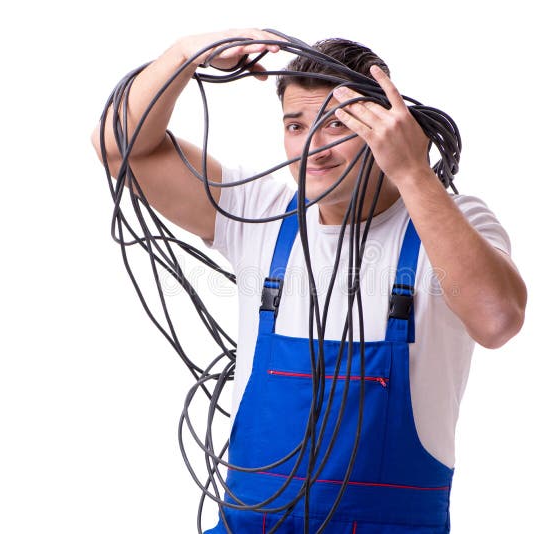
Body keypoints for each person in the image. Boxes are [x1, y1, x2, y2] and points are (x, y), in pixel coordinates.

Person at [91, 28, 527, 533]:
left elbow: (497, 320)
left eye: (336, 125)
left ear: (384, 125)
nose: (313, 149)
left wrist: (412, 172)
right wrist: (186, 55)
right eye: (296, 127)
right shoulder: (259, 213)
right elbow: (120, 148)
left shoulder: (452, 220)